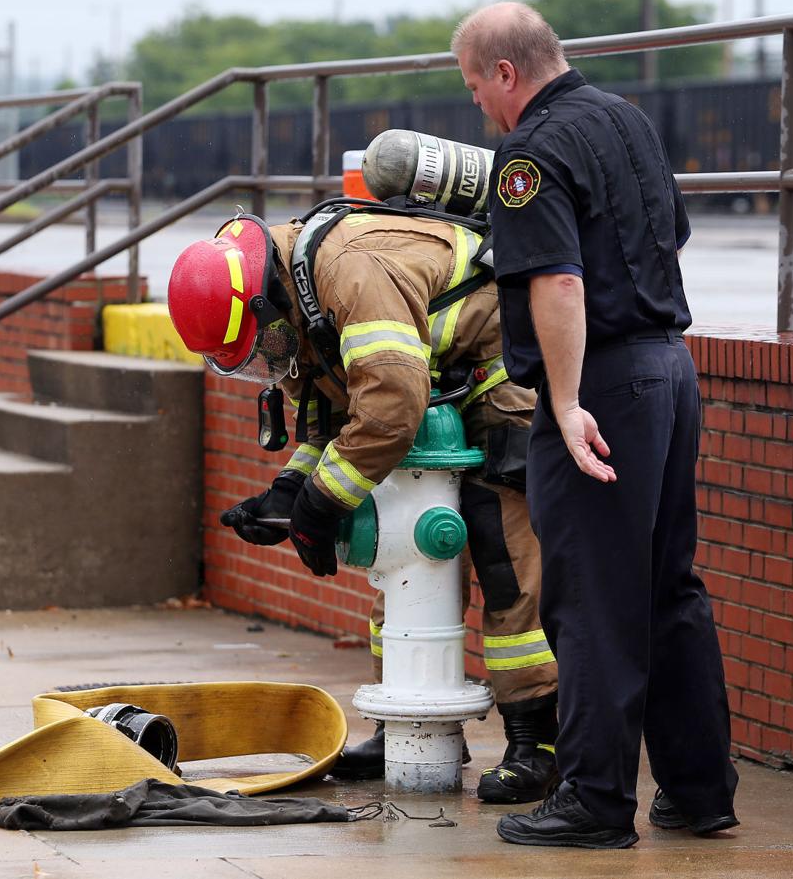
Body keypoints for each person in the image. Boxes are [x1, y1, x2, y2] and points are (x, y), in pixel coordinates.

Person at [451, 2, 739, 849]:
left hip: (603, 386)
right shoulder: (627, 120)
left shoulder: (529, 151)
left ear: (506, 72)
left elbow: (558, 283)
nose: (479, 106)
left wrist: (568, 404)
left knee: (592, 600)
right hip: (669, 371)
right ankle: (696, 789)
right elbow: (670, 235)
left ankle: (596, 800)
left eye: (475, 87)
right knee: (667, 587)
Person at [167, 206, 559, 804]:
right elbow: (335, 415)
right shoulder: (300, 301)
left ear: (263, 302)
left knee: (505, 556)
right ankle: (407, 725)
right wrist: (289, 491)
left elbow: (390, 408)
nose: (267, 358)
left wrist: (322, 504)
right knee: (404, 566)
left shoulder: (352, 274)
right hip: (432, 390)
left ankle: (538, 743)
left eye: (261, 343)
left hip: (498, 378)